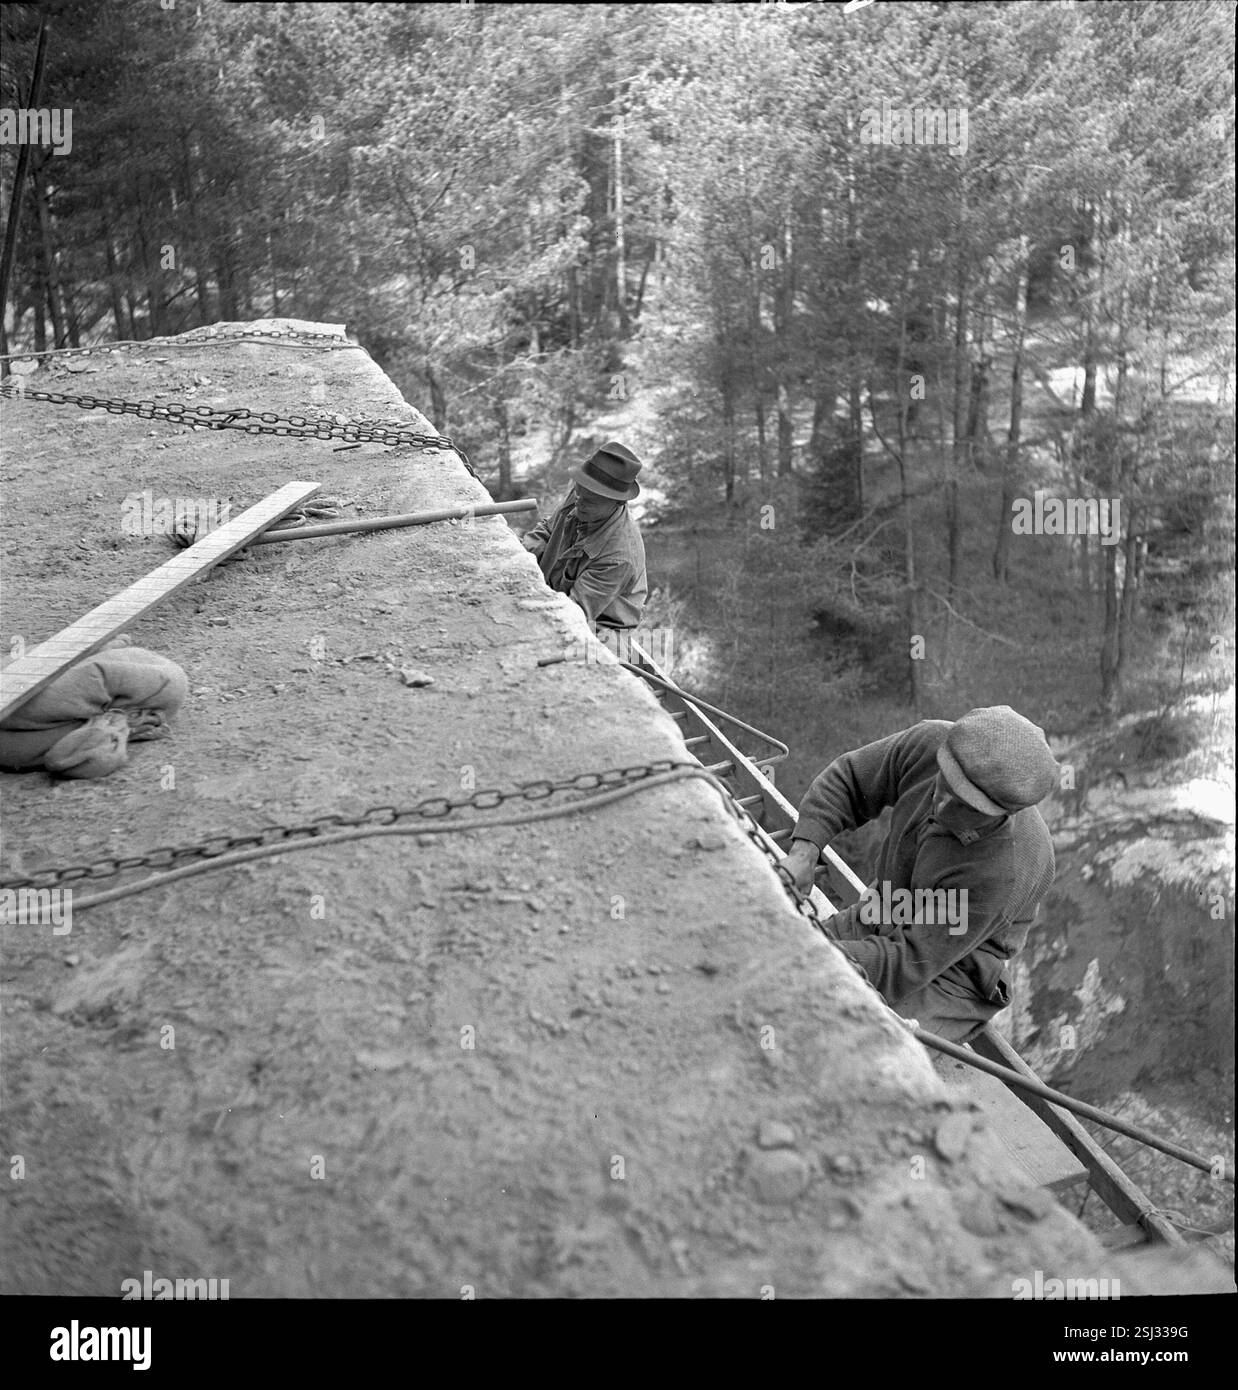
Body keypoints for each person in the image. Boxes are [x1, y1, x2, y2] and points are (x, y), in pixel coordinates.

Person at [784, 706, 1059, 1043]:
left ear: (1004, 813)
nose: (942, 806)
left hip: (949, 971)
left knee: (846, 1050)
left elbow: (909, 961)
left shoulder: (1003, 869)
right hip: (885, 909)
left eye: (967, 806)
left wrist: (813, 953)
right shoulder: (930, 743)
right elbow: (851, 780)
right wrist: (805, 851)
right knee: (774, 981)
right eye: (947, 783)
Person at [522, 442, 648, 632]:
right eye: (578, 491)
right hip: (551, 593)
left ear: (618, 502)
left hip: (599, 627)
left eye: (588, 500)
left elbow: (573, 614)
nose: (578, 501)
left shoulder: (619, 557)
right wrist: (522, 562)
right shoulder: (584, 494)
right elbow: (547, 531)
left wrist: (532, 605)